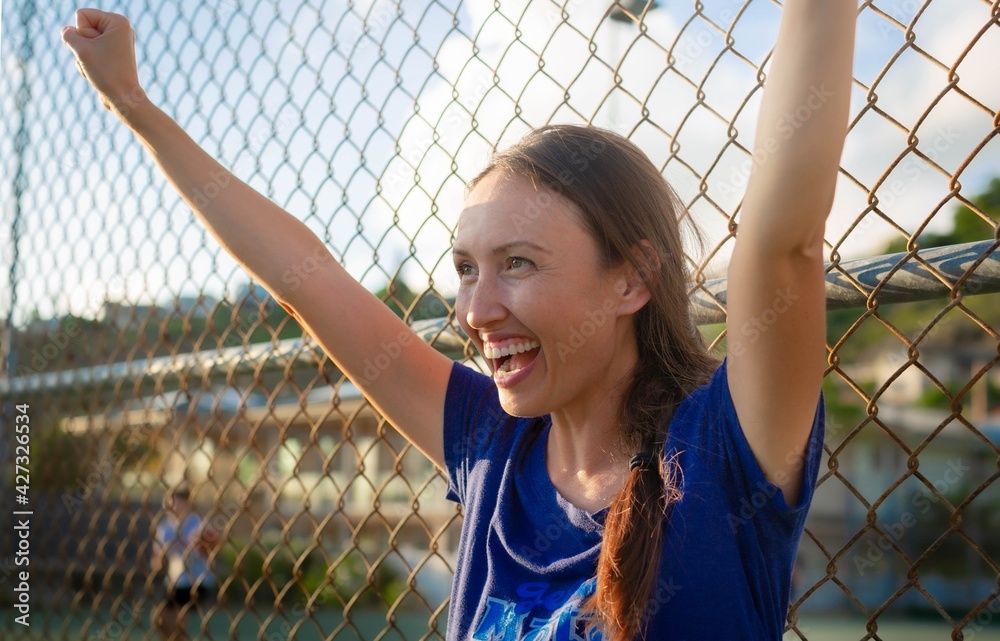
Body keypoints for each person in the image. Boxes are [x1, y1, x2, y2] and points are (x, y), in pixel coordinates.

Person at [62, 2, 856, 638]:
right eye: (466, 268)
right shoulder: (490, 446)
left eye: (519, 263)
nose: (476, 311)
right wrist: (134, 105)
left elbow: (783, 245)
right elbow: (304, 278)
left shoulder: (721, 449)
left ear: (634, 278)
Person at [151, 485, 217, 641]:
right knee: (158, 619)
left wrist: (202, 544)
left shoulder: (198, 524)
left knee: (175, 618)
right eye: (169, 502)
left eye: (177, 502)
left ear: (188, 504)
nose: (172, 506)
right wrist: (162, 556)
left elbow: (213, 550)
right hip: (175, 581)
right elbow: (156, 562)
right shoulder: (165, 528)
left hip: (197, 581)